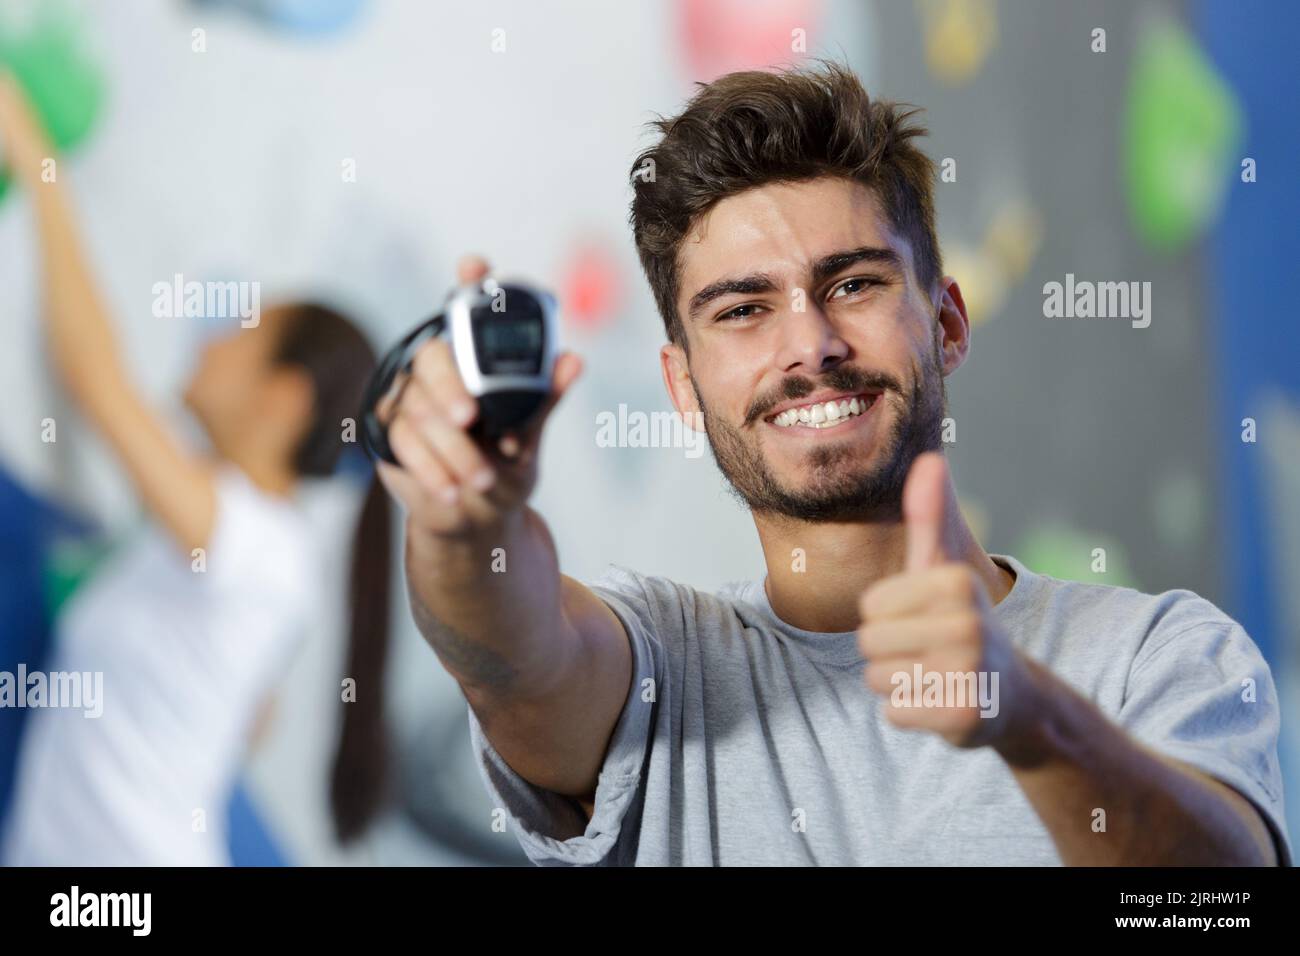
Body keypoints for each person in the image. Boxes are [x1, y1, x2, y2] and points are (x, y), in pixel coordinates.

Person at [373, 62, 1290, 866]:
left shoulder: (1160, 656)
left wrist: (1033, 723)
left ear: (947, 323)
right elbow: (508, 655)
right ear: (682, 385)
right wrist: (464, 527)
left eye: (853, 284)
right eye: (742, 310)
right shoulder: (657, 666)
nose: (810, 345)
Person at [0, 72, 390, 864]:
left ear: (282, 398)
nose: (210, 341)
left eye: (239, 331)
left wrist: (39, 161)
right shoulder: (247, 548)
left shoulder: (256, 546)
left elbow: (97, 380)